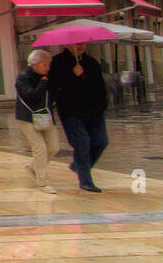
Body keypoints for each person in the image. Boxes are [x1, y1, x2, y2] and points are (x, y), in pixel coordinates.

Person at [48, 42, 108, 193]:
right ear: (67, 44)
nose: (80, 46)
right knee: (82, 143)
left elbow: (98, 87)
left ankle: (78, 166)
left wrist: (82, 76)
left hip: (94, 110)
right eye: (76, 43)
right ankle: (86, 180)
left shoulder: (92, 63)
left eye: (82, 43)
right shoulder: (57, 63)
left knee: (101, 142)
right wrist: (72, 76)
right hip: (71, 111)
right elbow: (55, 87)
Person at [15, 49, 58, 194]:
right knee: (40, 148)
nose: (48, 68)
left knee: (53, 147)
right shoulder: (23, 78)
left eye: (49, 65)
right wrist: (43, 83)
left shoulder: (48, 76)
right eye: (45, 65)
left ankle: (33, 167)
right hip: (28, 117)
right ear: (34, 64)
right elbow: (31, 96)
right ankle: (43, 182)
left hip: (45, 116)